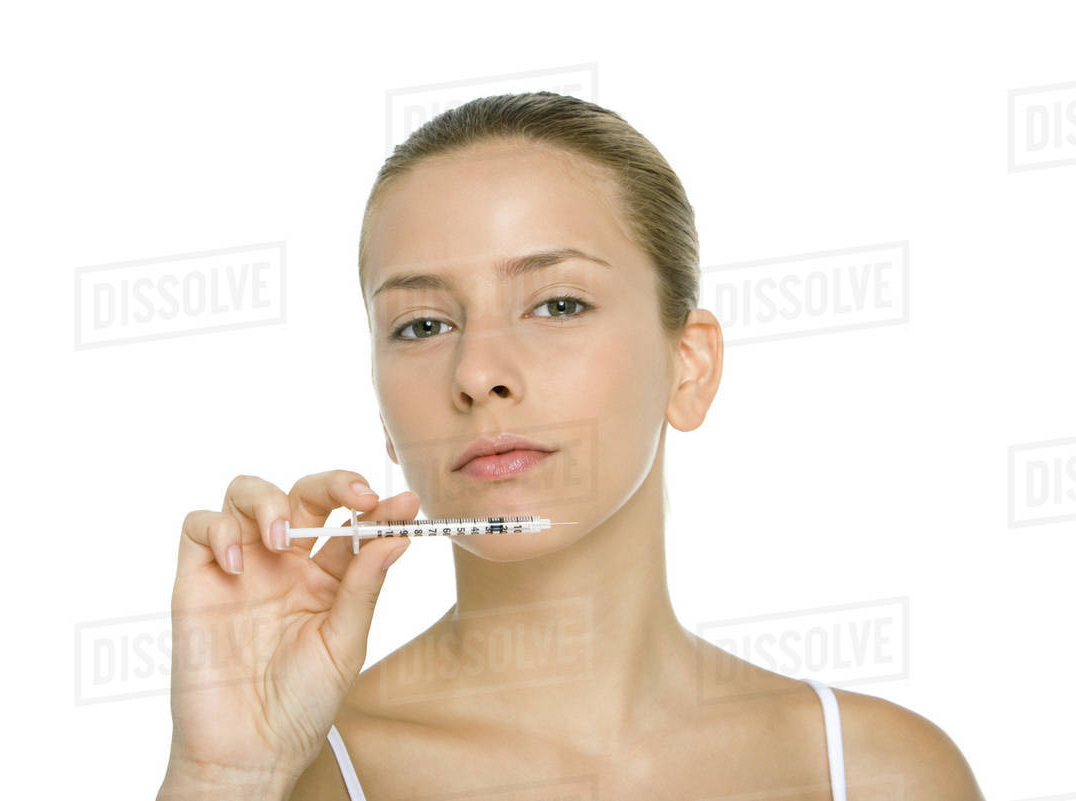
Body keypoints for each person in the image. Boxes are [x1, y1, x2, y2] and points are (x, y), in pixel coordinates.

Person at [156, 92, 985, 801]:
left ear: (689, 366)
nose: (478, 371)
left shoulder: (877, 774)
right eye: (423, 324)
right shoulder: (305, 778)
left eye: (556, 305)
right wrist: (222, 776)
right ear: (382, 409)